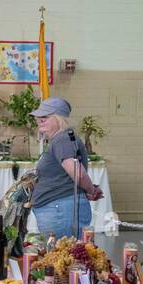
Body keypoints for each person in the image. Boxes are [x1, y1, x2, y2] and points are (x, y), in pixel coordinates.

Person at [28, 97, 104, 240]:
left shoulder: (62, 139)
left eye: (45, 117)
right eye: (38, 117)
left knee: (63, 259)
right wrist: (89, 189)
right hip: (60, 211)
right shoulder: (60, 139)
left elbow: (78, 174)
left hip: (60, 213)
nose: (39, 120)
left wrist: (91, 191)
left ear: (59, 118)